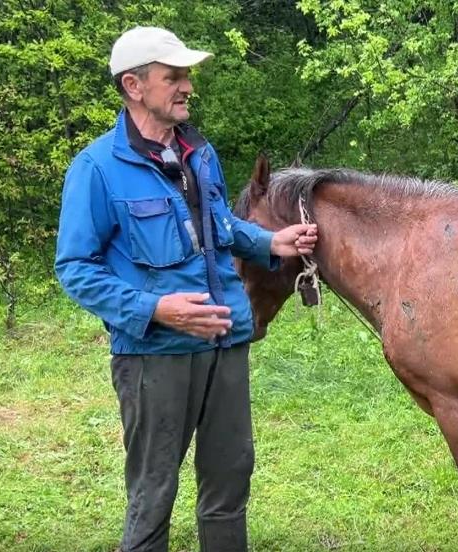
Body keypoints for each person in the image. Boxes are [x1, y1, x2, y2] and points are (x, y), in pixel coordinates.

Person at [54, 26, 317, 552]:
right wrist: (156, 309)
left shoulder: (200, 153)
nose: (187, 86)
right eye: (173, 76)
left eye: (187, 76)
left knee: (229, 480)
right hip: (157, 355)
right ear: (134, 84)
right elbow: (75, 267)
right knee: (154, 491)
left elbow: (216, 223)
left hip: (226, 340)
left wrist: (271, 241)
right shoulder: (97, 169)